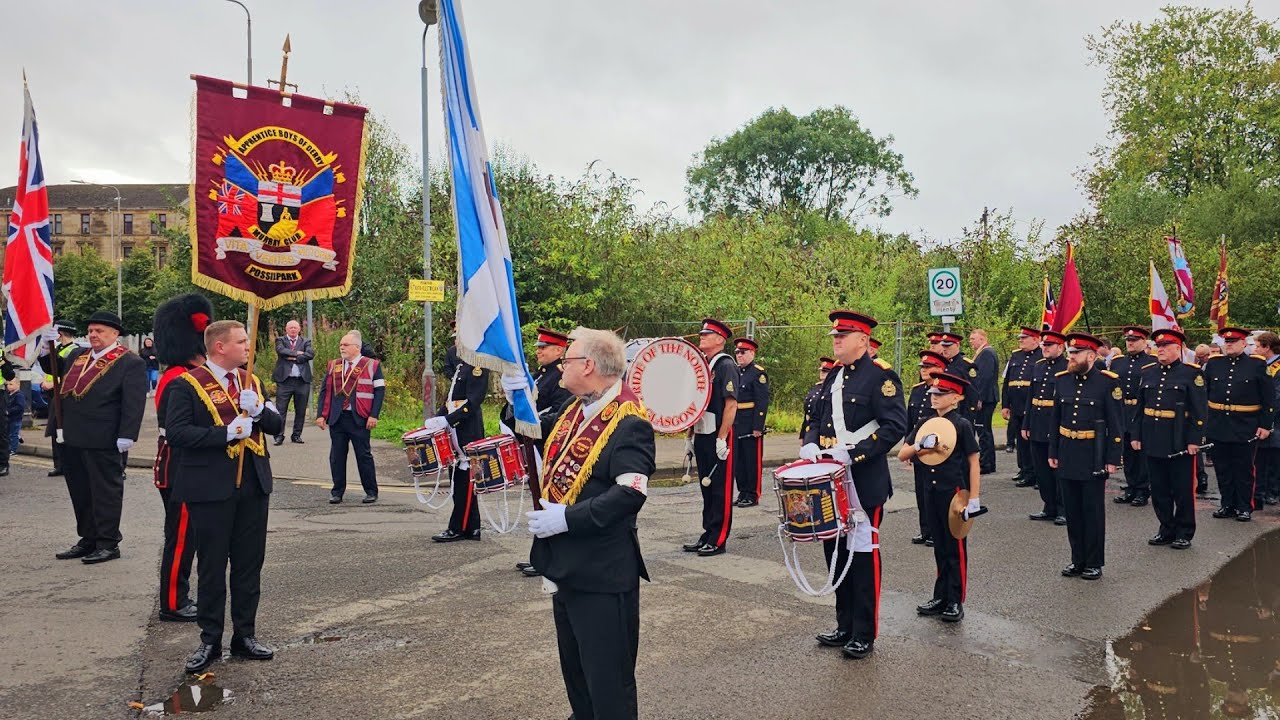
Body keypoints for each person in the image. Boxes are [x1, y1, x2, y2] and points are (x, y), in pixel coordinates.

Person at [524, 327, 655, 720]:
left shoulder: (630, 421)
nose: (560, 367)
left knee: (607, 683)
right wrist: (516, 398)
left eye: (567, 360)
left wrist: (566, 518)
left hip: (602, 575)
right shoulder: (575, 408)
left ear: (588, 366)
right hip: (566, 568)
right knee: (577, 677)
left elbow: (630, 493)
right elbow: (533, 432)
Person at [166, 319, 283, 673]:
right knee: (212, 566)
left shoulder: (251, 382)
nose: (248, 346)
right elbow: (177, 434)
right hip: (210, 488)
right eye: (242, 341)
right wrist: (226, 433)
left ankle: (244, 635)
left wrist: (260, 410)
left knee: (249, 565)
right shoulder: (186, 385)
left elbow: (276, 427)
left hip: (253, 485)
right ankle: (210, 639)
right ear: (220, 347)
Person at [802, 310, 906, 660]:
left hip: (863, 481)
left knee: (861, 557)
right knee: (835, 554)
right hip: (831, 480)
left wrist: (855, 453)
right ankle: (844, 624)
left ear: (863, 340)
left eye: (842, 336)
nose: (836, 341)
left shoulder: (881, 377)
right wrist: (811, 443)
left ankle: (864, 631)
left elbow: (895, 426)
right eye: (834, 336)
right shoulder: (834, 375)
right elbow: (816, 416)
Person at [52, 310, 147, 565]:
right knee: (80, 491)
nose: (93, 335)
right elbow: (55, 371)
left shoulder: (130, 362)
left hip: (104, 437)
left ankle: (108, 542)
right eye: (91, 330)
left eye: (99, 331)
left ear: (115, 334)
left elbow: (133, 402)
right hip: (72, 434)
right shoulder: (78, 355)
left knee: (105, 492)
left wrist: (127, 434)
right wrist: (44, 346)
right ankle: (88, 538)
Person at [150, 293, 213, 623]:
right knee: (181, 538)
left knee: (189, 536)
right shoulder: (179, 377)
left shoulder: (188, 372)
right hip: (182, 466)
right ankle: (173, 602)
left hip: (188, 465)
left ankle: (179, 595)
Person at [899, 371, 980, 622]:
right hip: (930, 490)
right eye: (933, 393)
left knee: (954, 547)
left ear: (956, 398)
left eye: (941, 393)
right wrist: (919, 445)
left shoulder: (962, 425)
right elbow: (902, 454)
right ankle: (941, 595)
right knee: (939, 547)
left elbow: (974, 461)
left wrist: (974, 498)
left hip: (953, 492)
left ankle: (955, 599)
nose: (934, 397)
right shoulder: (925, 423)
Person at [1049, 333, 1124, 581]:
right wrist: (1053, 451)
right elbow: (1055, 420)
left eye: (1076, 353)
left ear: (1091, 356)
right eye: (1070, 352)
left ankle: (1093, 562)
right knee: (1072, 511)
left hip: (1093, 454)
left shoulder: (1107, 383)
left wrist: (1113, 458)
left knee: (1092, 512)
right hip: (1067, 452)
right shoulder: (1062, 380)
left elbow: (1116, 424)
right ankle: (1077, 559)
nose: (1071, 357)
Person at [508, 327, 573, 578]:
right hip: (533, 443)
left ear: (559, 350)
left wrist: (532, 424)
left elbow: (559, 413)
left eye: (544, 347)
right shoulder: (538, 376)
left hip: (546, 445)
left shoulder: (561, 377)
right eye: (538, 347)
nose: (539, 351)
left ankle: (547, 557)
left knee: (547, 501)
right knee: (540, 500)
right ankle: (541, 556)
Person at [1133, 329, 1207, 550]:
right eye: (1159, 346)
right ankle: (1166, 528)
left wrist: (1195, 440)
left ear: (1178, 348)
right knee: (1159, 489)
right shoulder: (1148, 372)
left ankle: (1184, 531)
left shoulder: (1191, 374)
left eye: (1166, 346)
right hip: (1153, 437)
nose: (1161, 349)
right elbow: (1140, 408)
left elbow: (1199, 410)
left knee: (1182, 489)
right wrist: (1136, 434)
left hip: (1179, 440)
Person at [1203, 326, 1274, 522]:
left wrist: (1265, 425)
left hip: (1246, 424)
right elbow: (1205, 394)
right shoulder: (1214, 363)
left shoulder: (1257, 364)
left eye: (1233, 342)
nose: (1229, 345)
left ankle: (1244, 506)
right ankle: (1227, 504)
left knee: (1244, 469)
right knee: (1222, 468)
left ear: (1244, 343)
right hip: (1218, 424)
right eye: (1226, 342)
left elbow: (1268, 398)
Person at [681, 318, 738, 557]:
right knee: (707, 488)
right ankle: (708, 533)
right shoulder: (703, 365)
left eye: (707, 334)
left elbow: (731, 404)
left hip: (718, 435)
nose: (701, 337)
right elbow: (695, 405)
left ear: (719, 340)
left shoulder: (726, 365)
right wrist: (690, 436)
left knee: (720, 489)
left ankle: (718, 538)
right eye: (702, 334)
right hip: (703, 433)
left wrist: (722, 438)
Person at [428, 341, 490, 542]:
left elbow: (473, 402)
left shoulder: (477, 364)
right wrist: (439, 418)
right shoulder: (463, 364)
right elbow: (452, 399)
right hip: (456, 427)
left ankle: (458, 527)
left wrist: (449, 419)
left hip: (468, 429)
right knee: (459, 480)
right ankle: (472, 527)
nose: (456, 341)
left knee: (465, 482)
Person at [315, 331, 385, 504]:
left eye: (345, 345)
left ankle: (371, 491)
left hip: (359, 417)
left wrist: (374, 415)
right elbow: (325, 391)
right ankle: (337, 492)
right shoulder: (334, 365)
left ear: (357, 347)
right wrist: (321, 415)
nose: (342, 348)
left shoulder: (372, 365)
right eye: (340, 345)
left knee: (364, 456)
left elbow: (379, 391)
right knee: (336, 456)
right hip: (338, 417)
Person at [1023, 331, 1068, 523]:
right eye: (1044, 345)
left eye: (1049, 345)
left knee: (1058, 470)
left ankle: (1063, 508)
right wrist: (1026, 423)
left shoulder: (1067, 367)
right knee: (1041, 469)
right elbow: (1031, 397)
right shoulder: (1039, 366)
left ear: (1060, 347)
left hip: (1056, 425)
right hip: (1037, 423)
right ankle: (1048, 505)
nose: (1045, 348)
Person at [1109, 326, 1155, 506]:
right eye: (1128, 340)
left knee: (1140, 452)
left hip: (1140, 411)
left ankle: (1142, 489)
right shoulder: (1118, 362)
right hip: (1122, 411)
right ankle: (1131, 486)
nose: (1130, 343)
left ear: (1144, 342)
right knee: (1127, 452)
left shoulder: (1151, 362)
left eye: (1134, 340)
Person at [908, 350, 948, 546]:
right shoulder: (917, 390)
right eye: (922, 367)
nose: (924, 370)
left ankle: (937, 531)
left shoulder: (945, 391)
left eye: (928, 367)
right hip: (918, 448)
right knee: (921, 492)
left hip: (936, 449)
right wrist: (908, 446)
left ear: (940, 369)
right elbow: (910, 422)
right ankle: (925, 529)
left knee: (935, 492)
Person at [732, 337, 770, 508]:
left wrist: (757, 426)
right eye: (737, 352)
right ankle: (743, 492)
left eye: (743, 352)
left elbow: (762, 401)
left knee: (751, 462)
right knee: (739, 462)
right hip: (737, 423)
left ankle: (753, 494)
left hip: (750, 425)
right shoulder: (735, 372)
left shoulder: (758, 374)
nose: (739, 355)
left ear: (752, 353)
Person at [1002, 327, 1042, 483]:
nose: (1021, 340)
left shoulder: (1041, 356)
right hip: (1016, 405)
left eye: (1024, 338)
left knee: (1032, 440)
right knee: (1020, 440)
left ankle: (1035, 473)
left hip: (1031, 405)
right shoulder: (1016, 355)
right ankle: (1024, 469)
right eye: (1020, 338)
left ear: (1035, 339)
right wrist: (1005, 405)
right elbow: (1007, 381)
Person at [39, 321, 78, 477]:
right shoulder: (58, 348)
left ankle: (67, 464)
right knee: (55, 430)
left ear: (60, 333)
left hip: (64, 394)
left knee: (64, 430)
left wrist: (52, 384)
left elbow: (69, 374)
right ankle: (59, 464)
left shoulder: (74, 350)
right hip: (53, 394)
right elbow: (49, 368)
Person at [271, 320, 314, 446]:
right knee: (281, 410)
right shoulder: (280, 340)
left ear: (299, 329)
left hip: (302, 381)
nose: (293, 330)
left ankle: (296, 435)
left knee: (300, 410)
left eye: (295, 327)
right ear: (286, 329)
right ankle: (279, 436)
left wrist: (293, 357)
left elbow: (310, 354)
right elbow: (281, 351)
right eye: (291, 328)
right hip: (285, 381)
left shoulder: (306, 341)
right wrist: (298, 353)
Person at [968, 329, 999, 474]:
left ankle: (986, 463)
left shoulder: (986, 353)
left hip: (986, 398)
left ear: (982, 339)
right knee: (984, 430)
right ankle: (988, 462)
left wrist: (979, 398)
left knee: (983, 430)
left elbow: (984, 378)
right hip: (986, 396)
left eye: (973, 339)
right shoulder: (983, 353)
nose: (970, 341)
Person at [1255, 331, 1280, 506]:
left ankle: (1272, 491)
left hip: (1275, 419)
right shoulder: (1263, 365)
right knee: (1262, 457)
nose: (1255, 349)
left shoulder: (1277, 368)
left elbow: (1276, 396)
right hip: (1264, 417)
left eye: (1258, 346)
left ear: (1267, 347)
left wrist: (1267, 415)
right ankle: (1262, 490)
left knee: (1273, 457)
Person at [937, 331, 977, 419]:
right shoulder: (939, 364)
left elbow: (972, 392)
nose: (944, 349)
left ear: (957, 345)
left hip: (960, 411)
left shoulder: (966, 365)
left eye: (948, 346)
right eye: (943, 346)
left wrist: (970, 413)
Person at [799, 358, 834, 441]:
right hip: (811, 429)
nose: (822, 373)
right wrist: (803, 434)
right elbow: (807, 414)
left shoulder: (831, 389)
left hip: (822, 430)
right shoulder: (816, 388)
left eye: (825, 371)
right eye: (821, 371)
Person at [7, 378, 25, 455]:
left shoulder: (19, 395)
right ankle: (18, 437)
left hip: (16, 419)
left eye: (11, 384)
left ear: (18, 385)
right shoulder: (8, 395)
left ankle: (13, 450)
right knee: (9, 433)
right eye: (7, 384)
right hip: (9, 418)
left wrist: (9, 411)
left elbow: (20, 407)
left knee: (13, 434)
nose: (8, 386)